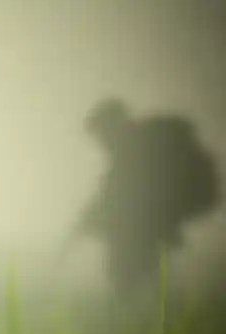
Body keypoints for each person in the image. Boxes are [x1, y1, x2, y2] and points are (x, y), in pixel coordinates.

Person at [75, 97, 220, 299]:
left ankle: (141, 315)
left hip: (144, 229)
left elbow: (123, 198)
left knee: (130, 280)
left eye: (101, 135)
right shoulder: (135, 150)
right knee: (145, 280)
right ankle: (151, 312)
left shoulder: (137, 153)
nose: (101, 143)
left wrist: (96, 219)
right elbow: (114, 196)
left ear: (112, 127)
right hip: (151, 227)